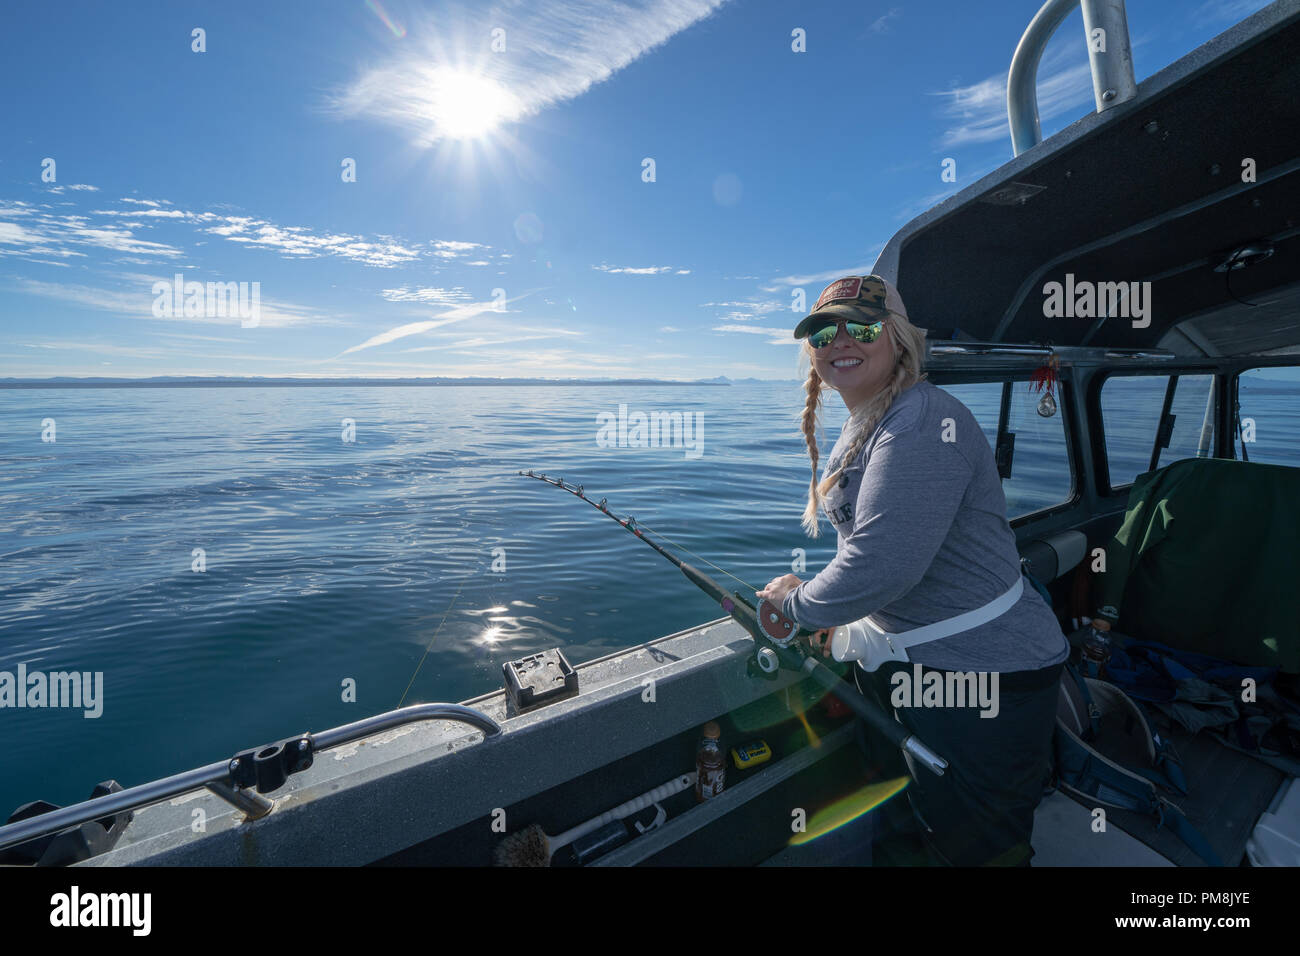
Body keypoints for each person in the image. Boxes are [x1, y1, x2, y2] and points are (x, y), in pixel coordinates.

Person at [757, 275, 1069, 866]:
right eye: (824, 331)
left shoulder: (921, 422)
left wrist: (796, 605)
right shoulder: (875, 418)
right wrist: (833, 603)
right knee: (907, 824)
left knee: (975, 849)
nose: (840, 340)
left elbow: (880, 567)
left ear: (898, 339)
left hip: (985, 681)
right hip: (914, 666)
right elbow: (876, 545)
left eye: (864, 327)